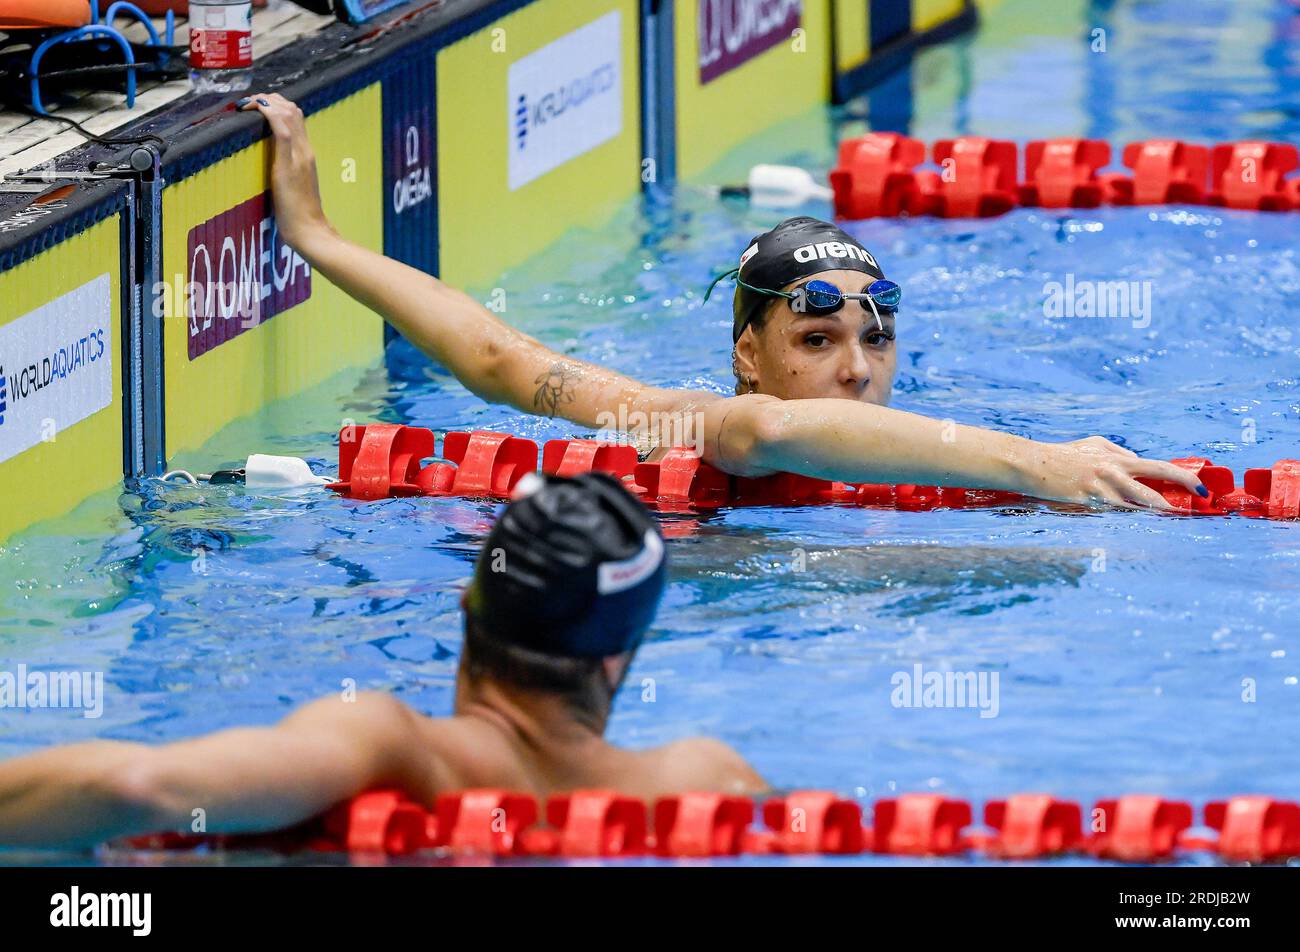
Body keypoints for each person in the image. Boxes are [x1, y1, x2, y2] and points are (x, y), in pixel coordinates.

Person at [234, 93, 1206, 511]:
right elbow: (500, 361)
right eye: (816, 336)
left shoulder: (945, 450)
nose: (857, 367)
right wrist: (317, 237)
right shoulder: (689, 422)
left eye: (876, 336)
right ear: (748, 350)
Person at [0, 473, 766, 850]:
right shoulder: (705, 780)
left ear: (468, 610)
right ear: (617, 660)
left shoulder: (393, 748)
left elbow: (135, 786)